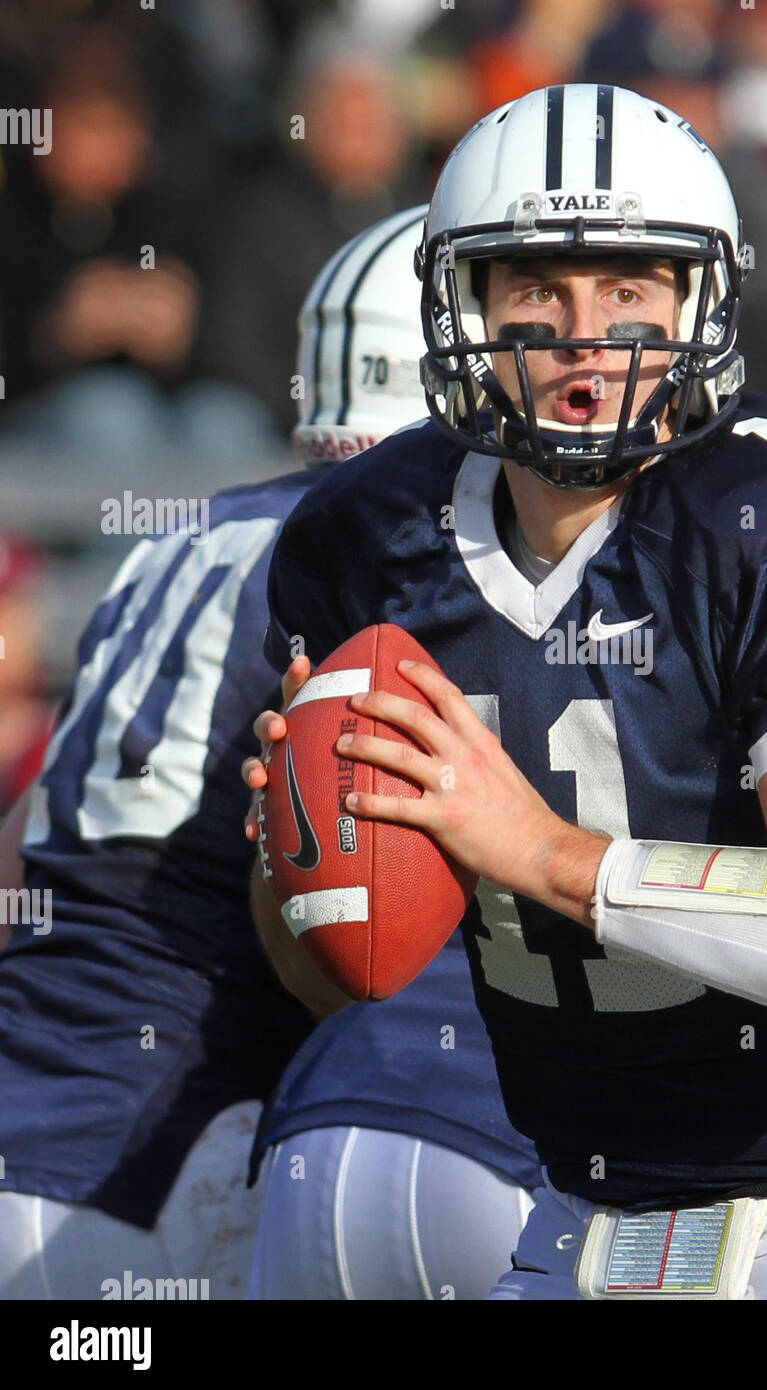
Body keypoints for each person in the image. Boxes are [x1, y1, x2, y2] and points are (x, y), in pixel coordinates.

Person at [243, 83, 767, 1301]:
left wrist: (546, 852)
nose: (585, 333)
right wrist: (305, 863)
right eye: (535, 288)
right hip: (579, 1211)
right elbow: (336, 975)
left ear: (697, 299)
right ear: (467, 305)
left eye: (628, 287)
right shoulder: (366, 539)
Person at [0, 206, 533, 1300]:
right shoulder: (386, 561)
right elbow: (357, 917)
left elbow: (27, 844)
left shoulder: (178, 541)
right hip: (172, 1152)